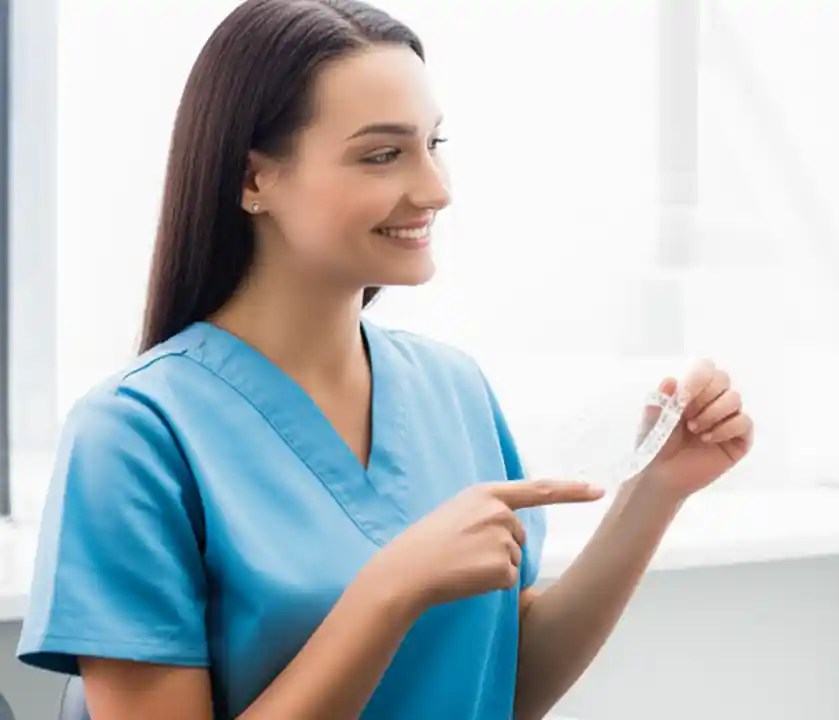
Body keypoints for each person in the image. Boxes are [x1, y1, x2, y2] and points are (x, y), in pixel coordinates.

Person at [16, 1, 754, 718]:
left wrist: (654, 492)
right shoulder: (133, 437)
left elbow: (503, 686)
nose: (435, 189)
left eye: (434, 144)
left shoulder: (453, 390)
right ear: (252, 180)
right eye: (381, 155)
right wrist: (390, 590)